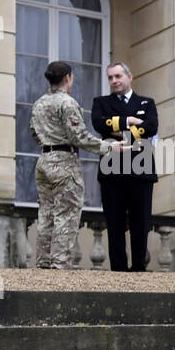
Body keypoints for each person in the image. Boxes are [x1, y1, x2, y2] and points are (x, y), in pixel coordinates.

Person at [28, 61, 120, 269]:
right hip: (64, 162)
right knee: (66, 214)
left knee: (46, 213)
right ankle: (60, 264)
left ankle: (43, 262)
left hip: (44, 161)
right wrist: (109, 147)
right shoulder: (67, 103)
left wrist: (50, 140)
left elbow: (34, 132)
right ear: (68, 77)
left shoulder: (38, 103)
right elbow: (80, 137)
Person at [92, 62, 158, 271]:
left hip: (141, 168)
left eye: (118, 76)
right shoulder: (101, 102)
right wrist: (128, 119)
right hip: (112, 168)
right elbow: (98, 123)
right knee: (115, 223)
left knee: (140, 223)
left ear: (130, 76)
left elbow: (151, 127)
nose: (114, 81)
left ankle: (139, 267)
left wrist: (119, 131)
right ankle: (118, 270)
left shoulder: (147, 103)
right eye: (110, 77)